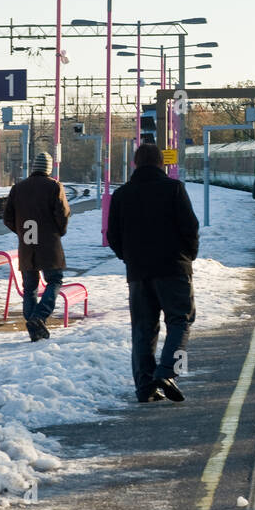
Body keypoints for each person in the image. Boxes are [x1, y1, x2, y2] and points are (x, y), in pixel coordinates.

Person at [106, 142, 199, 404]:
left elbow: (112, 235)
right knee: (180, 320)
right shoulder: (173, 189)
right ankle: (168, 372)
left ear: (135, 164)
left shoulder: (122, 195)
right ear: (161, 163)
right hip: (173, 268)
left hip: (138, 273)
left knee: (143, 329)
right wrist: (187, 256)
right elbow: (190, 227)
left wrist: (130, 258)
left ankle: (145, 388)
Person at [3, 151, 71, 342]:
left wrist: (21, 231)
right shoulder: (54, 186)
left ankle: (34, 327)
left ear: (34, 168)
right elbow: (63, 214)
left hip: (27, 245)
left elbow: (8, 217)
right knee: (55, 280)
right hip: (49, 244)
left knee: (30, 287)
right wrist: (59, 231)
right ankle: (39, 317)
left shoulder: (18, 188)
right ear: (48, 169)